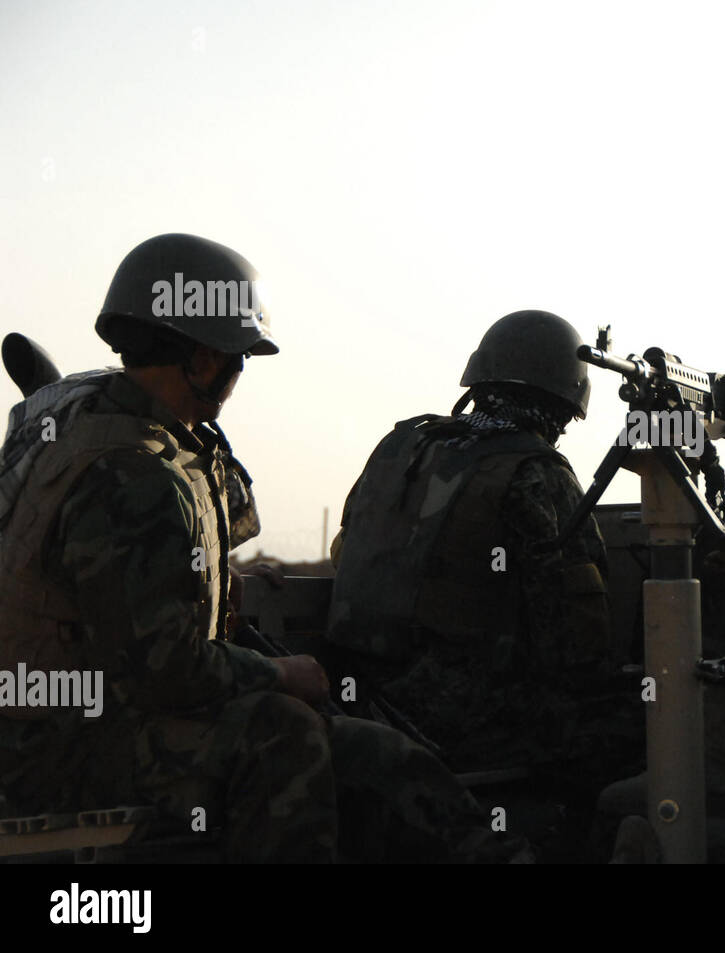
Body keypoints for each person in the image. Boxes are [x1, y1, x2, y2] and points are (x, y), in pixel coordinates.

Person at [0, 233, 508, 863]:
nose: (237, 377)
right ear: (204, 358)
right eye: (237, 359)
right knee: (283, 735)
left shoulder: (102, 424)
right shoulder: (133, 474)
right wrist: (279, 673)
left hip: (61, 725)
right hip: (47, 748)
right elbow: (166, 674)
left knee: (378, 758)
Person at [326, 309, 641, 861]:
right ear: (566, 403)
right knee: (649, 727)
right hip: (465, 719)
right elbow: (574, 648)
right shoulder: (537, 472)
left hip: (357, 695)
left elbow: (346, 551)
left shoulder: (402, 446)